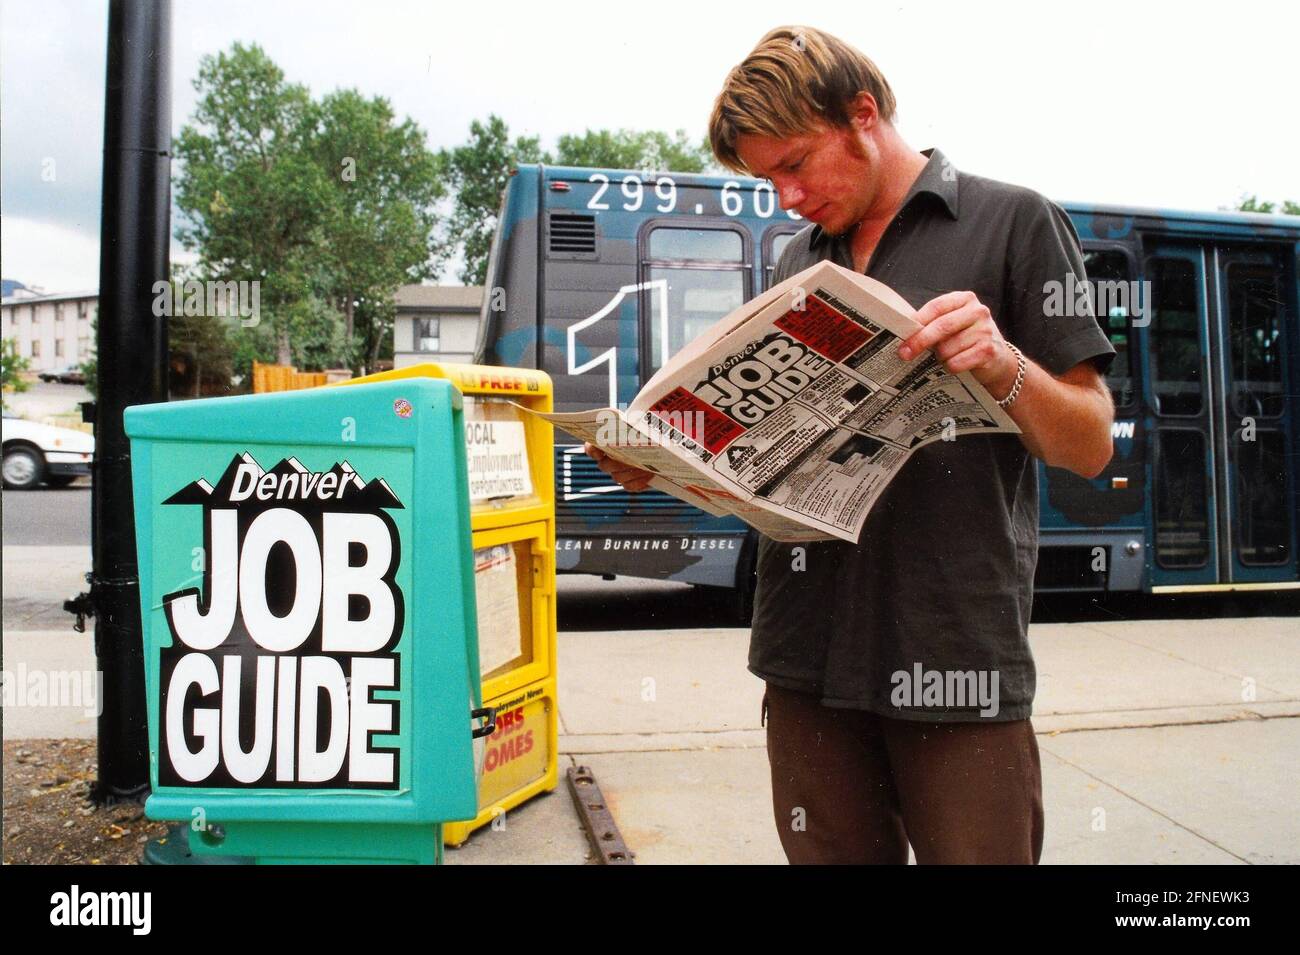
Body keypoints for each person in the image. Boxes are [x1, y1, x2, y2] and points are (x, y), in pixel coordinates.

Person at [585, 25, 1115, 864]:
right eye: (768, 180)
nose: (785, 198)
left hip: (953, 656)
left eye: (794, 165)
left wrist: (1005, 365)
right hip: (806, 656)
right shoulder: (802, 256)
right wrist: (665, 458)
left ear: (862, 114)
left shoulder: (1014, 222)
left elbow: (1090, 443)